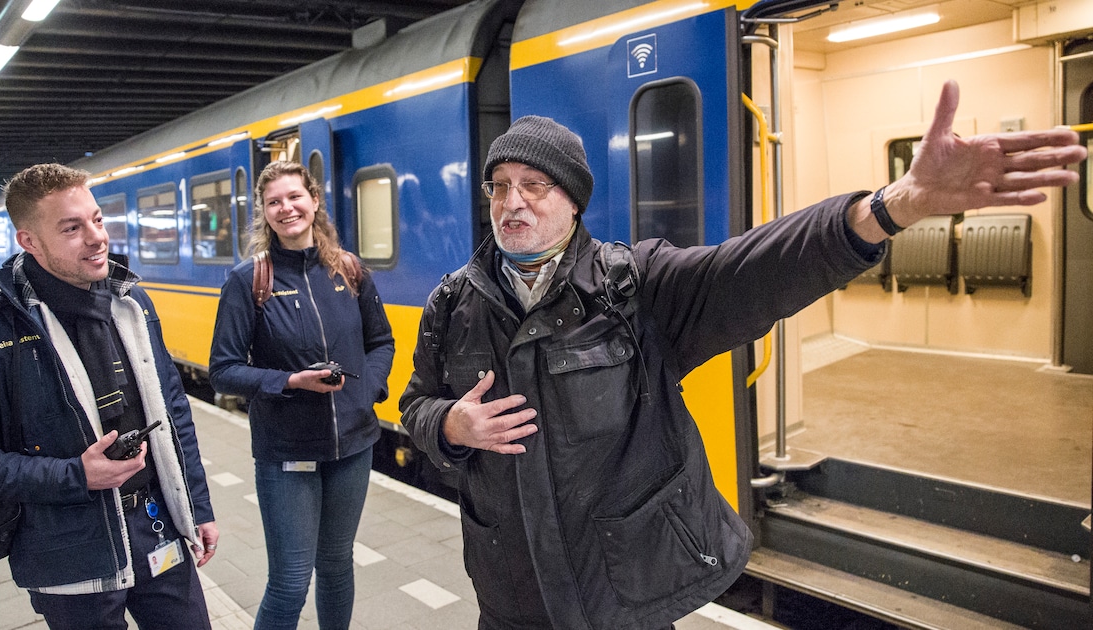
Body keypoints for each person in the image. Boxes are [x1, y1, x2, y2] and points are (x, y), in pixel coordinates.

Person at [399, 80, 1087, 630]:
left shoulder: (634, 287)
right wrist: (449, 427)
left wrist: (892, 207)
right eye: (499, 186)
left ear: (574, 202)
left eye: (535, 185)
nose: (512, 202)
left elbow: (756, 268)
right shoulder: (453, 304)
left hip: (622, 598)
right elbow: (417, 406)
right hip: (509, 597)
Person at [0, 163, 220, 629]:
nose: (96, 237)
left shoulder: (131, 303)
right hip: (67, 554)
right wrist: (75, 475)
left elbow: (173, 410)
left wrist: (196, 507)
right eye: (72, 228)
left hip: (157, 527)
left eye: (97, 220)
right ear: (29, 242)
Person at [208, 161, 395, 629]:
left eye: (294, 197)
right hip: (286, 452)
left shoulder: (349, 271)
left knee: (336, 567)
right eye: (274, 202)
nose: (286, 208)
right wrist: (290, 382)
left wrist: (365, 391)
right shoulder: (249, 281)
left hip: (352, 447)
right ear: (264, 213)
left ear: (313, 201)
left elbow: (381, 342)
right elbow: (223, 371)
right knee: (290, 579)